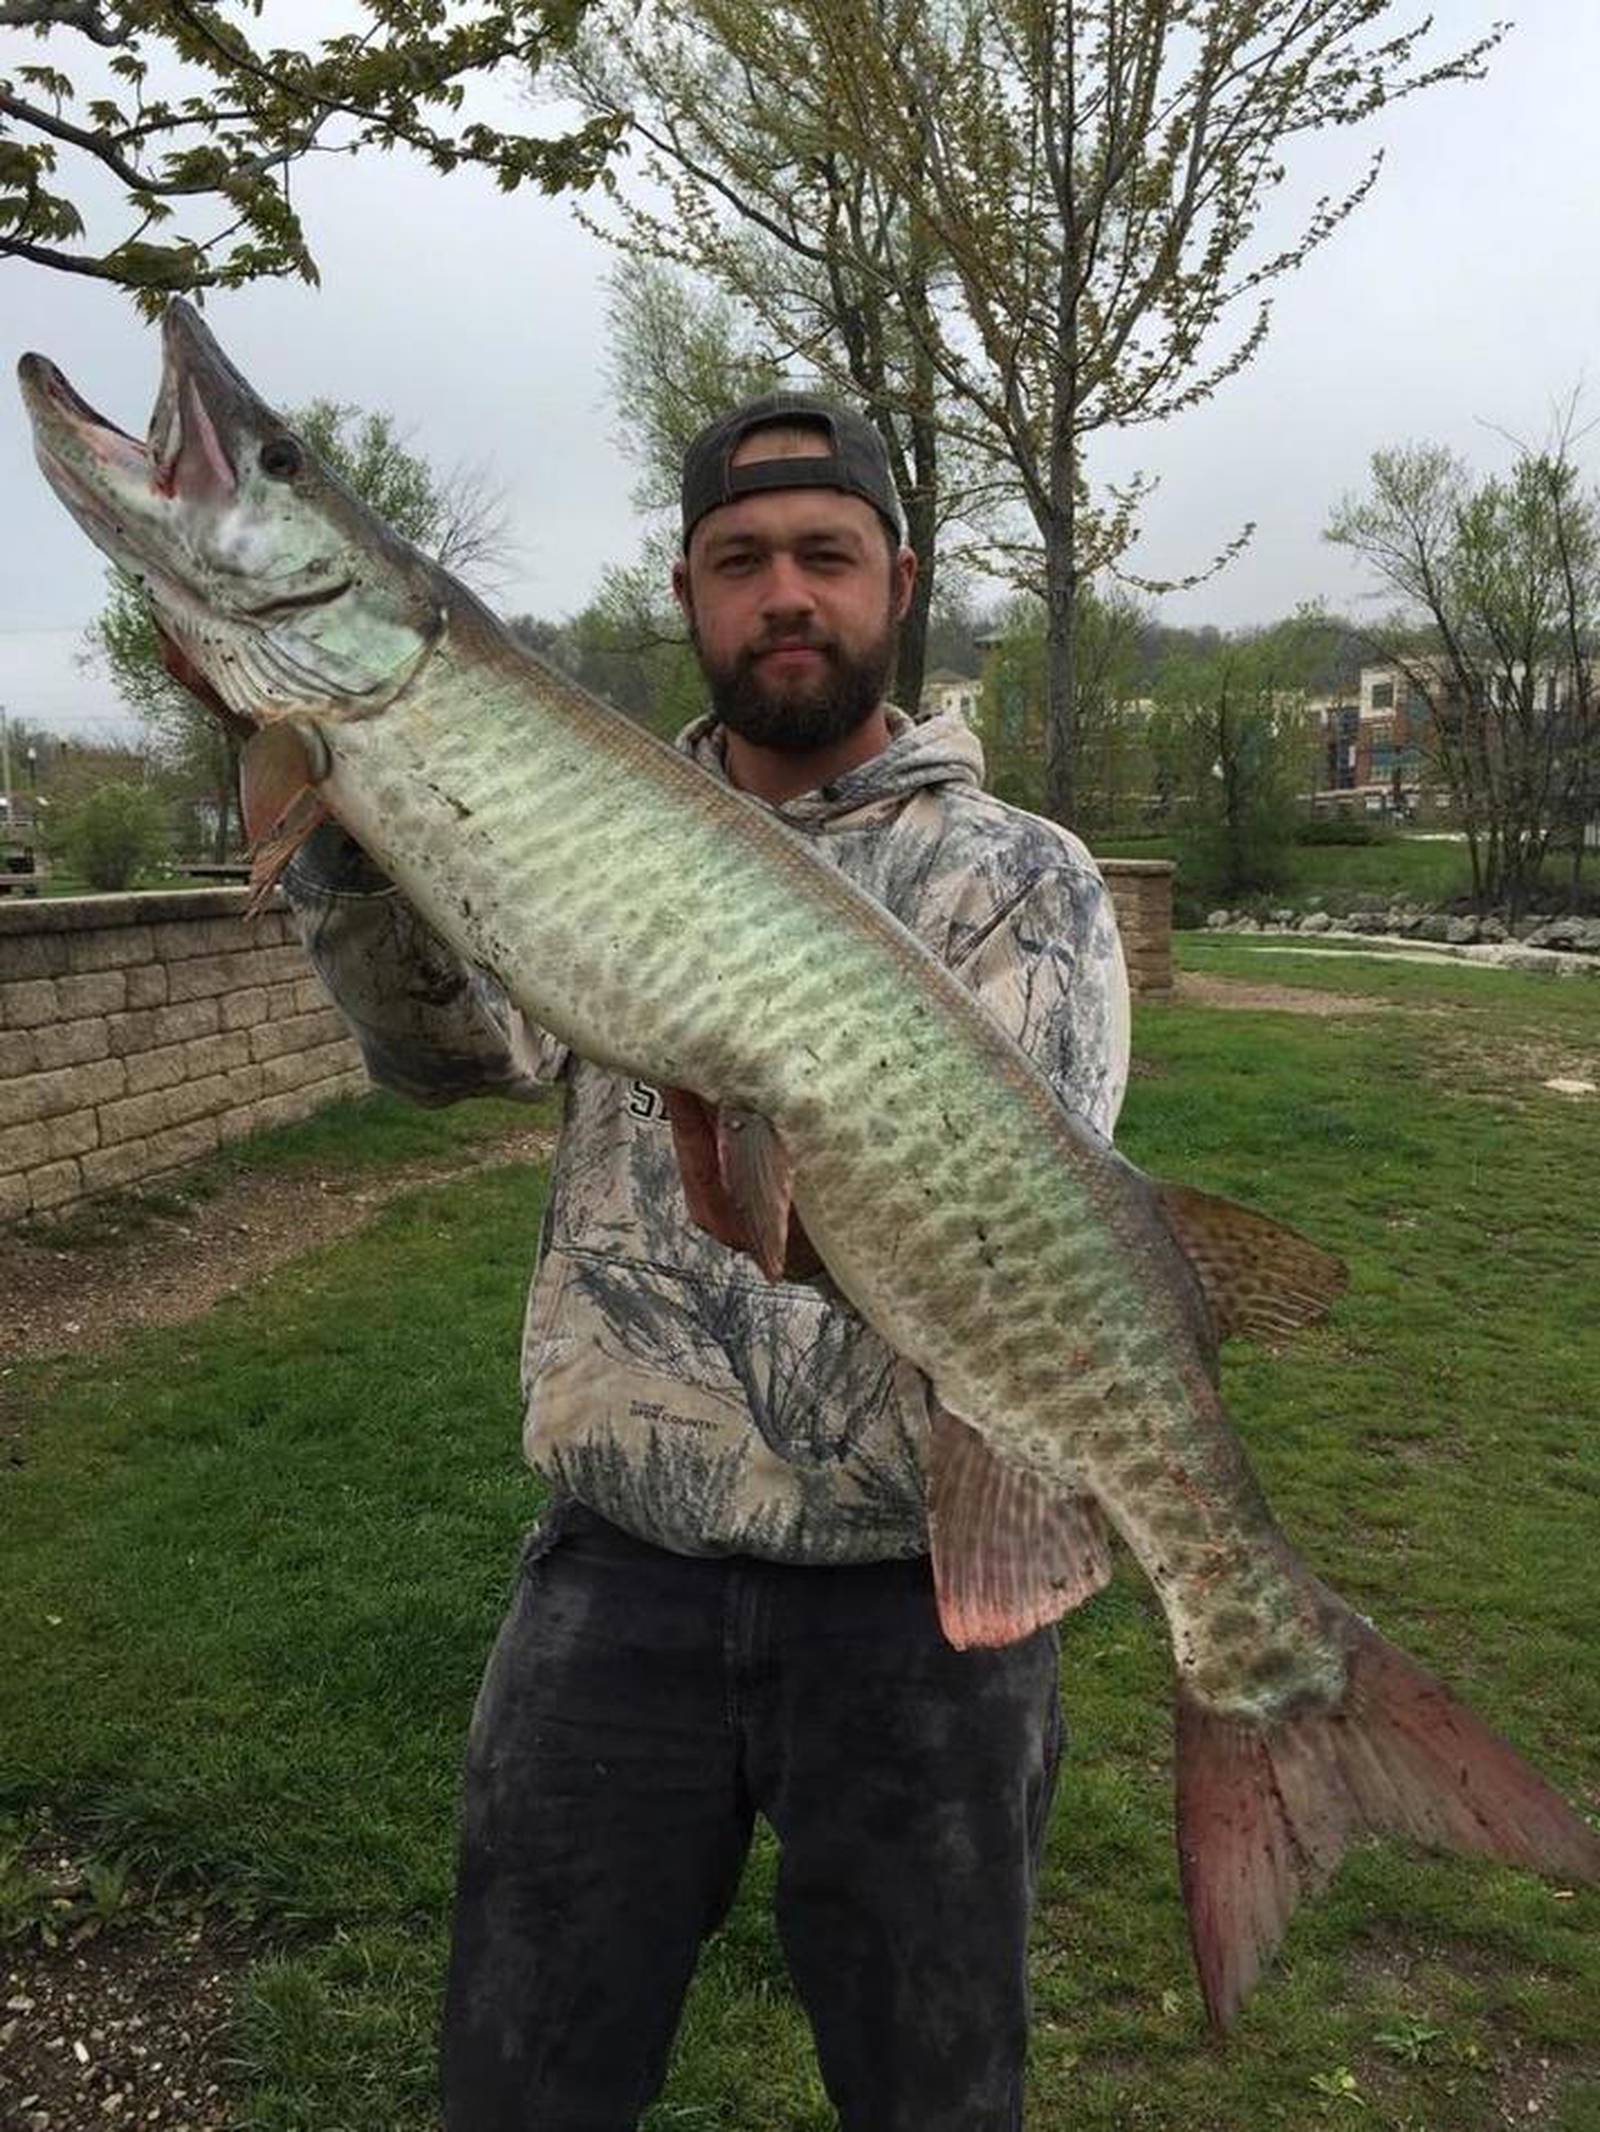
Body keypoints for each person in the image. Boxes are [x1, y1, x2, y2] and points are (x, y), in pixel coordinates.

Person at [282, 392, 1131, 2132]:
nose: (785, 595)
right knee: (522, 2087)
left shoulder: (1020, 878)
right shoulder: (582, 826)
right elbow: (450, 1054)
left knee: (932, 2098)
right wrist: (327, 826)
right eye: (741, 563)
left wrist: (802, 1233)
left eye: (824, 556)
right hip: (619, 1582)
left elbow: (1014, 1261)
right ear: (687, 593)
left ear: (898, 580)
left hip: (917, 1616)